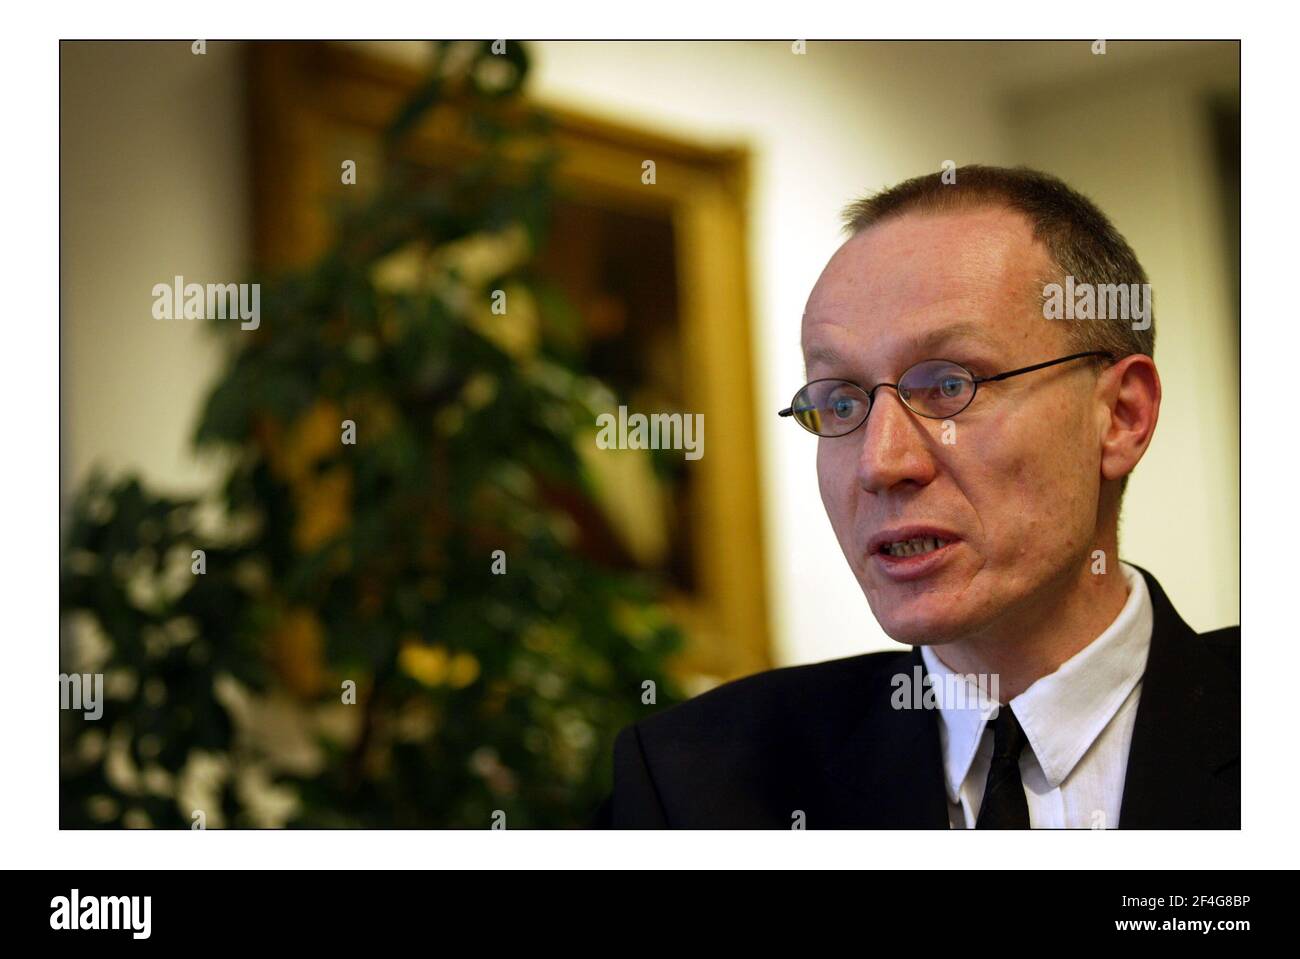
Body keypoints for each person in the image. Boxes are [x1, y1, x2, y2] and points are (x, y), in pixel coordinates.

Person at [594, 165, 1238, 828]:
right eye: (841, 402)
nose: (880, 463)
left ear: (1121, 416)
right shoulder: (694, 783)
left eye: (949, 385)